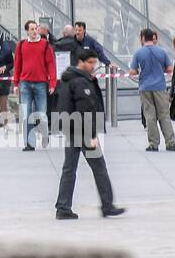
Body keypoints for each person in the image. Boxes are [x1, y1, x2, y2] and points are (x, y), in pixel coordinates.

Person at [53, 49, 125, 220]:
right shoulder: (80, 82)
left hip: (71, 128)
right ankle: (107, 205)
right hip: (82, 131)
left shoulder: (67, 78)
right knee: (99, 167)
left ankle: (63, 207)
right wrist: (91, 134)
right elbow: (86, 109)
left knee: (69, 169)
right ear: (82, 62)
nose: (94, 66)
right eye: (91, 62)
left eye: (95, 62)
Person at [131, 28, 175, 151]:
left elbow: (133, 71)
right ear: (152, 37)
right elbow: (169, 69)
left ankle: (153, 144)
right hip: (160, 86)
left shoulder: (138, 53)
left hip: (145, 87)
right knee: (164, 114)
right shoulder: (161, 51)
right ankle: (170, 142)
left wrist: (139, 71)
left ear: (142, 38)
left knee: (150, 116)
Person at [12, 19, 56, 151]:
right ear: (27, 31)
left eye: (36, 28)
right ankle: (30, 143)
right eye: (32, 29)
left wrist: (52, 83)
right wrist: (15, 83)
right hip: (25, 83)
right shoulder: (21, 45)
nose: (34, 31)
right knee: (26, 113)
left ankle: (44, 135)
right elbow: (17, 64)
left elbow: (50, 64)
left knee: (42, 113)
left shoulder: (44, 44)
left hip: (41, 83)